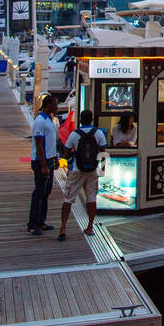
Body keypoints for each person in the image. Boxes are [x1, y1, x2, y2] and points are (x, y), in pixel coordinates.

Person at [59, 109, 107, 239]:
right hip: (92, 170)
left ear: (80, 119)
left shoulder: (75, 134)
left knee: (68, 198)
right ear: (92, 119)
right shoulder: (99, 133)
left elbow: (66, 152)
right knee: (92, 198)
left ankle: (63, 227)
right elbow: (103, 152)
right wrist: (102, 169)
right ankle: (90, 227)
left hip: (77, 169)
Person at [28, 94, 60, 236]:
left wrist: (55, 158)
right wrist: (43, 165)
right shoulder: (39, 121)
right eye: (55, 104)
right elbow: (39, 145)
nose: (57, 107)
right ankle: (32, 224)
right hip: (41, 161)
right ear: (48, 105)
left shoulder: (51, 120)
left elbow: (51, 142)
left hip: (50, 159)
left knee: (46, 192)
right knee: (39, 192)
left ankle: (41, 221)